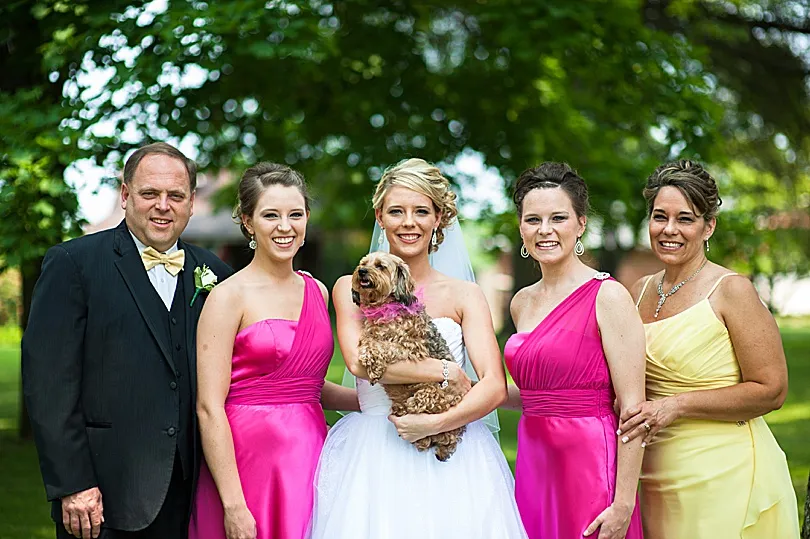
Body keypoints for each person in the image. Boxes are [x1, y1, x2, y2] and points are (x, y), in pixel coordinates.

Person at [22, 142, 232, 539]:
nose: (163, 206)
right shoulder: (73, 264)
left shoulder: (215, 272)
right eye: (150, 193)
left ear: (191, 202)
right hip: (103, 493)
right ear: (124, 195)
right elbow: (48, 383)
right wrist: (73, 484)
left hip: (192, 494)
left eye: (176, 195)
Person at [310, 158, 527, 538]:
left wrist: (435, 422)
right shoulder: (352, 286)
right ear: (380, 216)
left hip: (454, 450)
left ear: (438, 218)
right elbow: (361, 362)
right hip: (374, 449)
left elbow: (493, 385)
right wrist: (445, 371)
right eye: (397, 211)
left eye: (421, 211)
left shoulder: (465, 294)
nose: (408, 223)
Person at [621, 160, 799, 538]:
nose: (669, 230)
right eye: (659, 216)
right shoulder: (637, 291)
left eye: (685, 219)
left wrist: (675, 405)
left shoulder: (732, 290)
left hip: (722, 473)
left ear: (709, 226)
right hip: (652, 474)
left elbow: (772, 389)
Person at [189, 162, 357, 539]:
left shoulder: (318, 291)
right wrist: (233, 503)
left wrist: (380, 400)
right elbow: (208, 407)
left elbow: (307, 387)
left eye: (295, 214)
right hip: (248, 465)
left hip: (310, 457)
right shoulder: (228, 297)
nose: (285, 227)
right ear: (248, 222)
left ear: (307, 219)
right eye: (271, 215)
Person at [503, 162, 645, 539]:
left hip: (588, 463)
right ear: (521, 227)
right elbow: (540, 394)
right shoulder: (521, 302)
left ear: (581, 224)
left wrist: (624, 503)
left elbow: (633, 409)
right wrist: (473, 390)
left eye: (558, 218)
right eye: (533, 219)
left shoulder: (608, 296)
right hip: (534, 460)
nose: (544, 230)